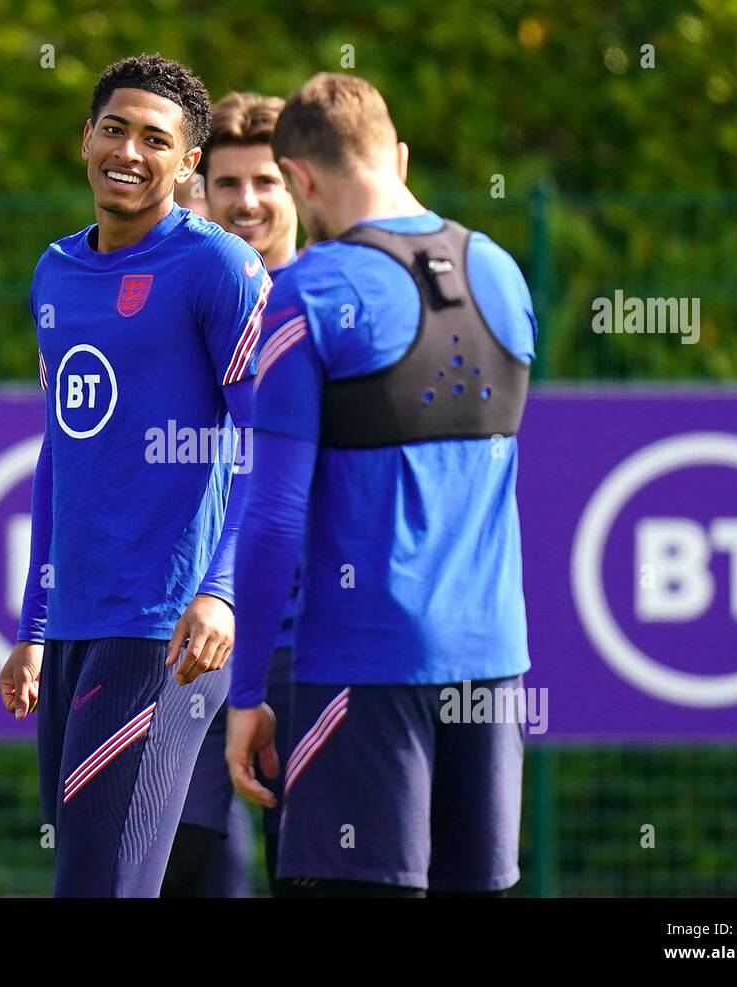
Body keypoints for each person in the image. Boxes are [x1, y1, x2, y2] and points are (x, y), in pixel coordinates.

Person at [226, 73, 536, 897]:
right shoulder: (502, 273)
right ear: (398, 155)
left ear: (299, 178)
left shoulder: (313, 291)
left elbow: (273, 515)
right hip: (495, 666)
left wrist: (248, 691)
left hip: (366, 667)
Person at [0, 53, 270, 897]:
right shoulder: (55, 272)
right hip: (77, 622)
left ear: (189, 163)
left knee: (104, 879)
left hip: (166, 630)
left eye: (157, 139)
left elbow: (275, 442)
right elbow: (61, 451)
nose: (129, 150)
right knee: (93, 868)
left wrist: (222, 588)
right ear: (85, 138)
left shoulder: (218, 268)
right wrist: (35, 624)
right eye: (114, 128)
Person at [162, 91, 300, 898]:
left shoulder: (331, 301)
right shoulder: (186, 305)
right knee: (191, 864)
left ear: (300, 186)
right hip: (188, 638)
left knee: (309, 863)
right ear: (200, 191)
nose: (246, 201)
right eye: (228, 184)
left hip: (302, 638)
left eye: (267, 182)